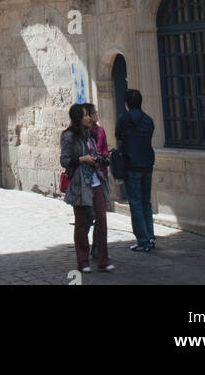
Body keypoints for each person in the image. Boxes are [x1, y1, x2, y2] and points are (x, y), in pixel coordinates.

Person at [60, 103, 114, 273]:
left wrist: (99, 159)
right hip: (80, 182)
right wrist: (83, 159)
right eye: (85, 115)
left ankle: (103, 259)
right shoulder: (69, 136)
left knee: (102, 219)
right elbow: (65, 160)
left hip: (96, 180)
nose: (89, 118)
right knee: (82, 223)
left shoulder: (90, 134)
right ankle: (82, 261)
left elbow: (95, 152)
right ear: (78, 118)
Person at [114, 87, 156, 252]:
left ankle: (143, 240)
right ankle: (150, 236)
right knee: (146, 201)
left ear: (126, 104)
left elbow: (119, 138)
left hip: (132, 165)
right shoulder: (148, 120)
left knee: (136, 203)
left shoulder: (124, 119)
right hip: (147, 163)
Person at [82, 102, 109, 261]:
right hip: (87, 178)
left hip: (100, 177)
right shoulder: (83, 134)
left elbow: (103, 150)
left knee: (100, 215)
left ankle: (97, 249)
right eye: (93, 113)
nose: (96, 115)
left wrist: (103, 159)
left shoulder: (100, 131)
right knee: (88, 216)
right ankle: (84, 247)